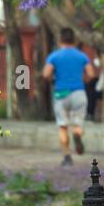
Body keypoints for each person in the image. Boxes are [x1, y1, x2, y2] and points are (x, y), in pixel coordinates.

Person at [42, 28, 97, 166]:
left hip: (61, 93)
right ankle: (77, 134)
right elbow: (91, 74)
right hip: (79, 93)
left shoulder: (54, 56)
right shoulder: (82, 56)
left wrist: (53, 80)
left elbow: (46, 74)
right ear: (75, 40)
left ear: (60, 40)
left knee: (63, 126)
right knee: (77, 124)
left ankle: (67, 157)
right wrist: (82, 81)